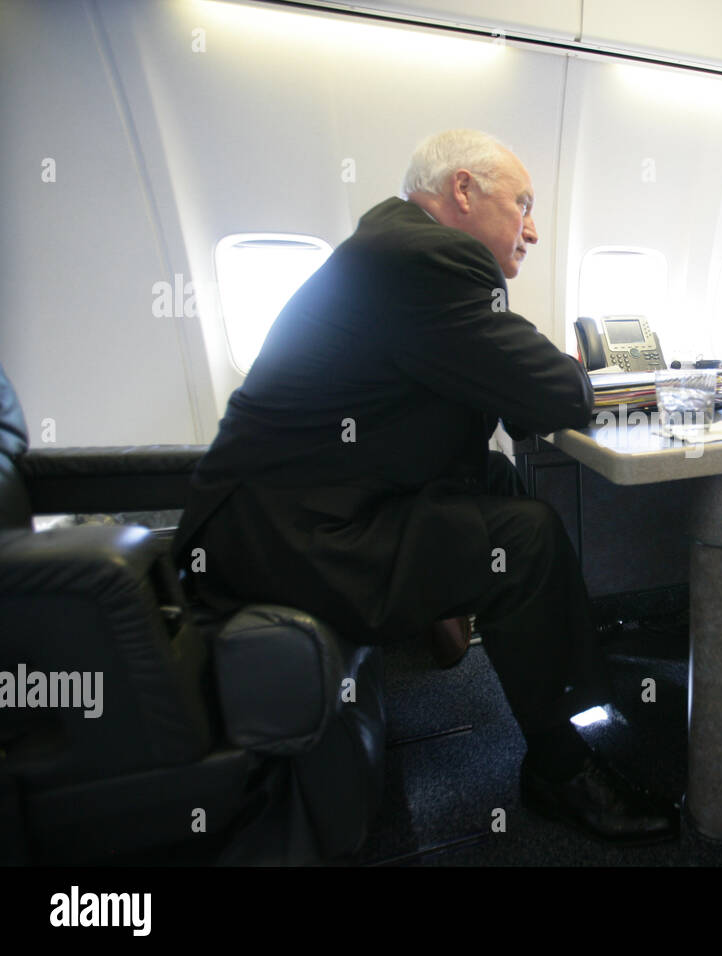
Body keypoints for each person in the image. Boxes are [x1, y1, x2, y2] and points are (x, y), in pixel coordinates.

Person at [173, 129, 677, 845]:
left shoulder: (393, 250)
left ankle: (565, 682)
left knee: (503, 482)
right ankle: (561, 769)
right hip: (287, 537)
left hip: (292, 511)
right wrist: (565, 367)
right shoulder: (425, 259)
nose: (533, 228)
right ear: (463, 191)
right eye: (523, 204)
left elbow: (508, 394)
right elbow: (557, 395)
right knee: (526, 538)